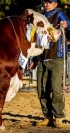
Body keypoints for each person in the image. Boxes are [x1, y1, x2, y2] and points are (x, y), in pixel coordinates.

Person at [29, 0, 70, 128]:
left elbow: (68, 23)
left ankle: (59, 117)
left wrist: (65, 24)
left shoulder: (59, 15)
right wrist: (34, 59)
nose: (47, 4)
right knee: (41, 88)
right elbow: (35, 38)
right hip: (41, 57)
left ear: (56, 4)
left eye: (50, 2)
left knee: (56, 87)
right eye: (45, 2)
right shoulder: (39, 17)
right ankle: (47, 117)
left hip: (56, 57)